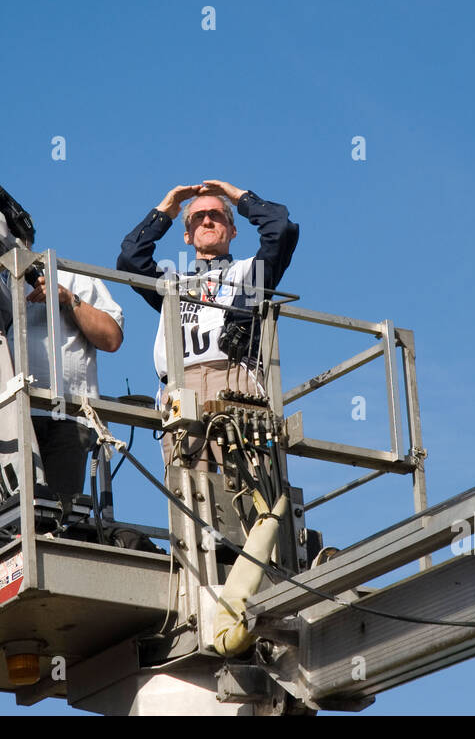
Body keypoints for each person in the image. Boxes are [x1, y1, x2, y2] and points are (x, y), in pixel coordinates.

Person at [117, 180, 299, 468]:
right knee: (189, 495)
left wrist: (237, 197)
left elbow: (281, 229)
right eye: (198, 218)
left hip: (236, 379)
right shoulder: (173, 285)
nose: (207, 220)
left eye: (217, 215)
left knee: (252, 485)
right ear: (187, 236)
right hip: (180, 385)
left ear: (233, 229)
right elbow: (130, 258)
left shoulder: (250, 273)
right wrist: (168, 209)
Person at [24, 262, 124, 507]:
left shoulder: (74, 277)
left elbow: (111, 337)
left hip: (67, 415)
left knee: (61, 513)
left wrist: (68, 298)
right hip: (11, 415)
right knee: (11, 517)